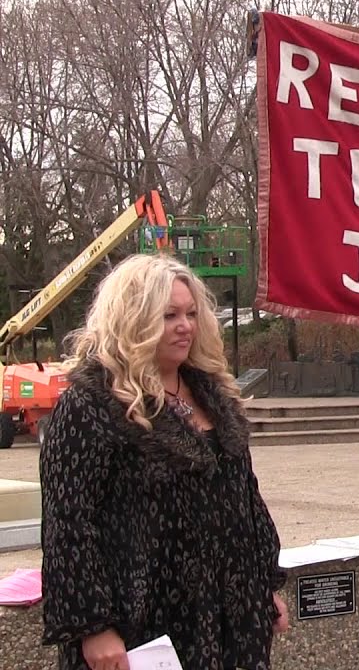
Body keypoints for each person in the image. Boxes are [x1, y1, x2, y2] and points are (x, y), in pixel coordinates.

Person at [41, 254, 288, 670]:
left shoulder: (215, 396)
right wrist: (93, 626)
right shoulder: (90, 405)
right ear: (133, 319)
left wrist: (264, 584)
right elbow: (68, 524)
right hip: (143, 623)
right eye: (169, 315)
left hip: (232, 619)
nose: (185, 326)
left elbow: (247, 500)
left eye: (191, 313)